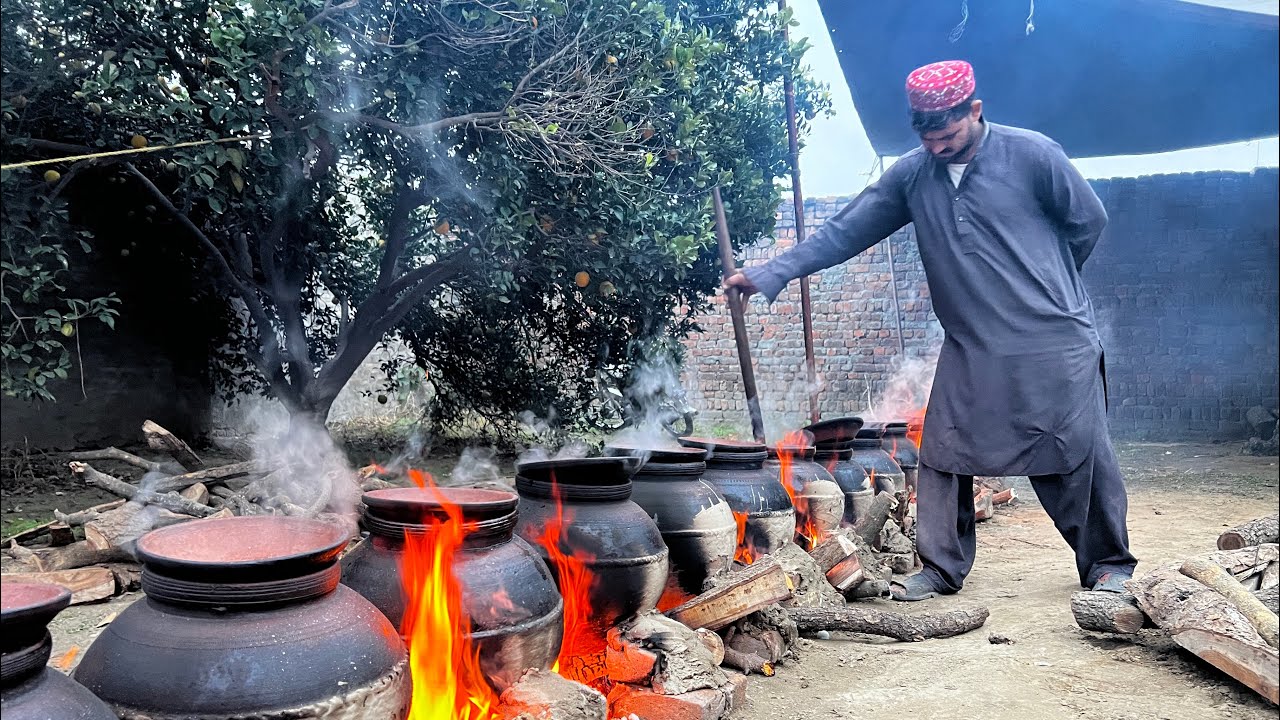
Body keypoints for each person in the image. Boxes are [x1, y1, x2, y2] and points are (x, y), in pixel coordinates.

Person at [725, 60, 1137, 600]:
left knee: (1074, 450)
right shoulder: (914, 175)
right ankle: (941, 569)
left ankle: (1109, 565)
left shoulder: (1034, 155)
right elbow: (846, 231)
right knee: (944, 448)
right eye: (929, 137)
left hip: (1052, 339)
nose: (940, 147)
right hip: (973, 345)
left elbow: (1089, 221)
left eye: (951, 134)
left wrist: (1050, 286)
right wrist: (769, 272)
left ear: (975, 111)